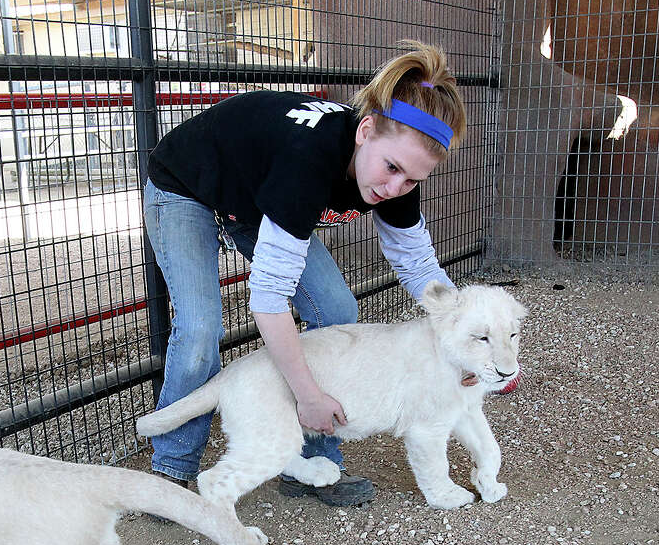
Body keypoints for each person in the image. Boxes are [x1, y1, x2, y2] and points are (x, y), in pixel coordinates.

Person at [143, 40, 467, 507]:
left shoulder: (395, 181)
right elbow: (268, 299)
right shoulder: (308, 162)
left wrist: (462, 337)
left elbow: (419, 267)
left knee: (335, 308)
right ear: (366, 130)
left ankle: (314, 463)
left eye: (411, 180)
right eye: (391, 167)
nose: (393, 188)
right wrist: (307, 393)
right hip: (188, 184)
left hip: (260, 200)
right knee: (199, 327)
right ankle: (172, 473)